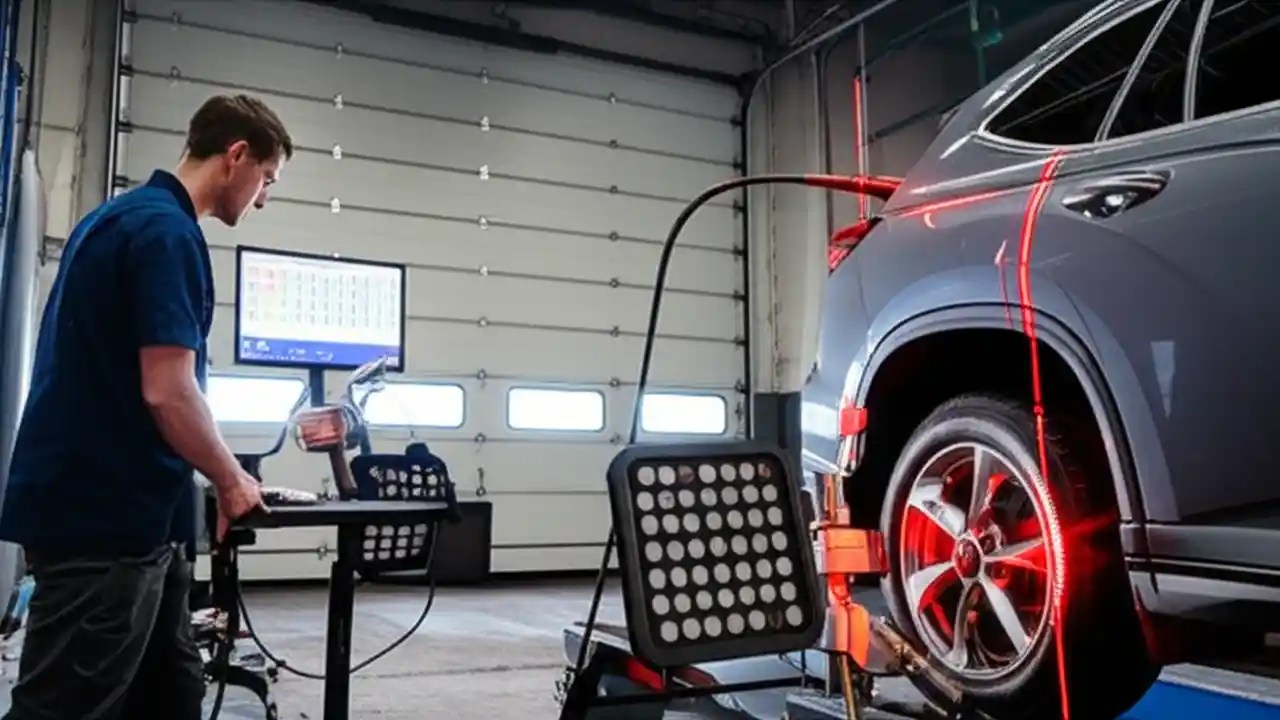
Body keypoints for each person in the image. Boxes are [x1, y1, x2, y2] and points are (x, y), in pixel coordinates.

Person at [0, 93, 293, 719]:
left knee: (171, 694)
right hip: (105, 528)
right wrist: (231, 480)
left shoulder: (119, 219)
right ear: (236, 155)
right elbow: (169, 389)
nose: (263, 198)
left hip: (137, 524)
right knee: (65, 707)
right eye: (267, 179)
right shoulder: (166, 235)